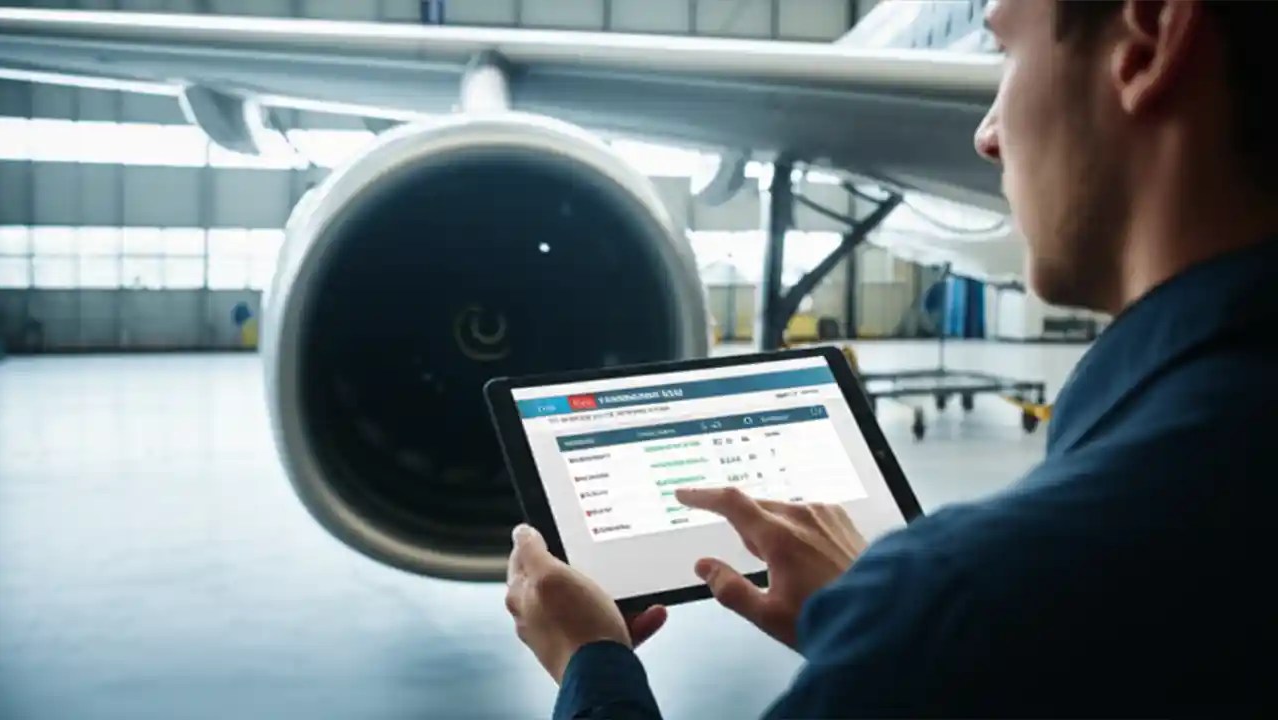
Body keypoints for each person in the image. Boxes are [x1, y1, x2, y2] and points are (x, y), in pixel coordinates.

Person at [504, 0, 1276, 715]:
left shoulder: (970, 601)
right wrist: (873, 635)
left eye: (1007, 50)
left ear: (1145, 44)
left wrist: (591, 660)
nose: (987, 134)